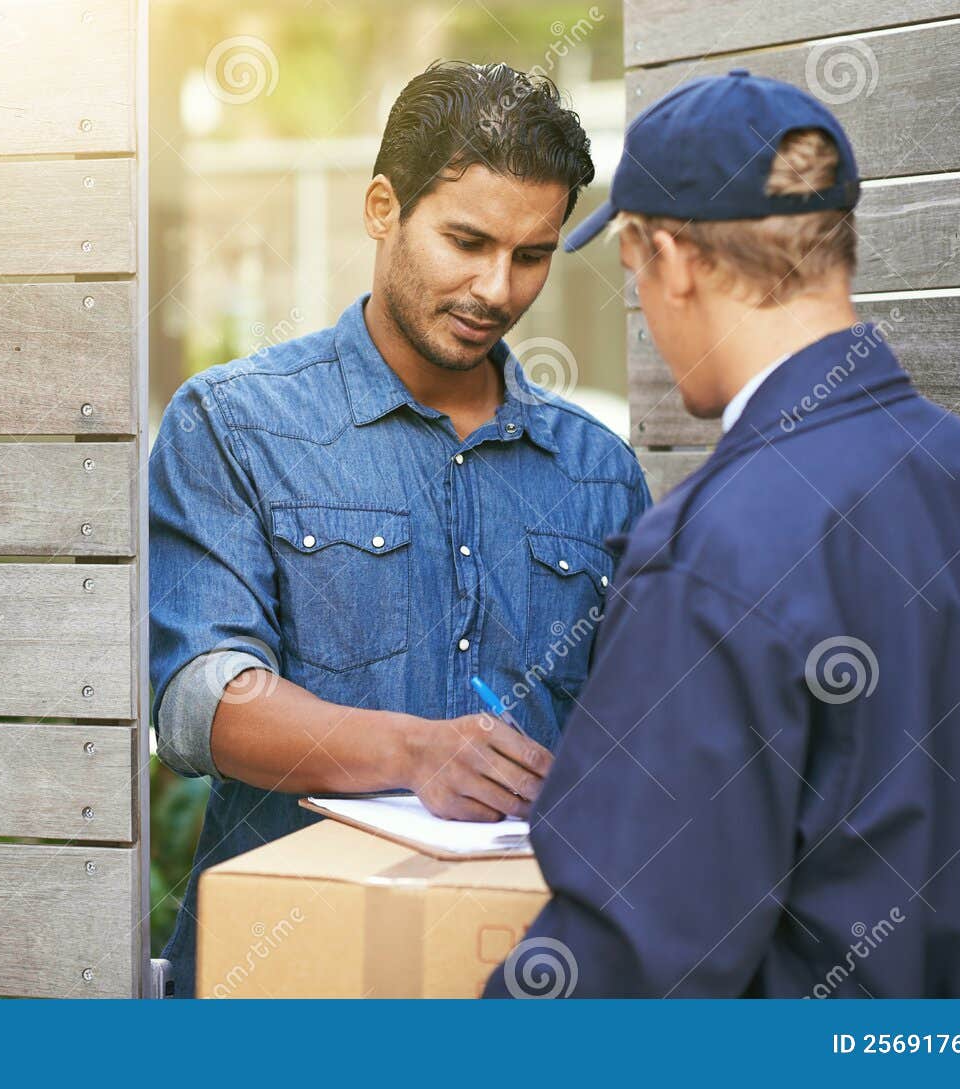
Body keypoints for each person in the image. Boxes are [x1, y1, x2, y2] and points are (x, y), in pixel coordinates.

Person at [484, 70, 960, 998]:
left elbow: (620, 968)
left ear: (673, 258)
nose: (643, 305)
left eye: (632, 270)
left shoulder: (713, 547)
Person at [150, 61, 651, 997]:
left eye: (532, 254)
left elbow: (642, 742)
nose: (496, 288)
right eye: (466, 240)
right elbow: (198, 702)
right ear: (383, 207)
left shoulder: (599, 471)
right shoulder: (232, 422)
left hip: (521, 980)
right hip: (284, 981)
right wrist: (415, 753)